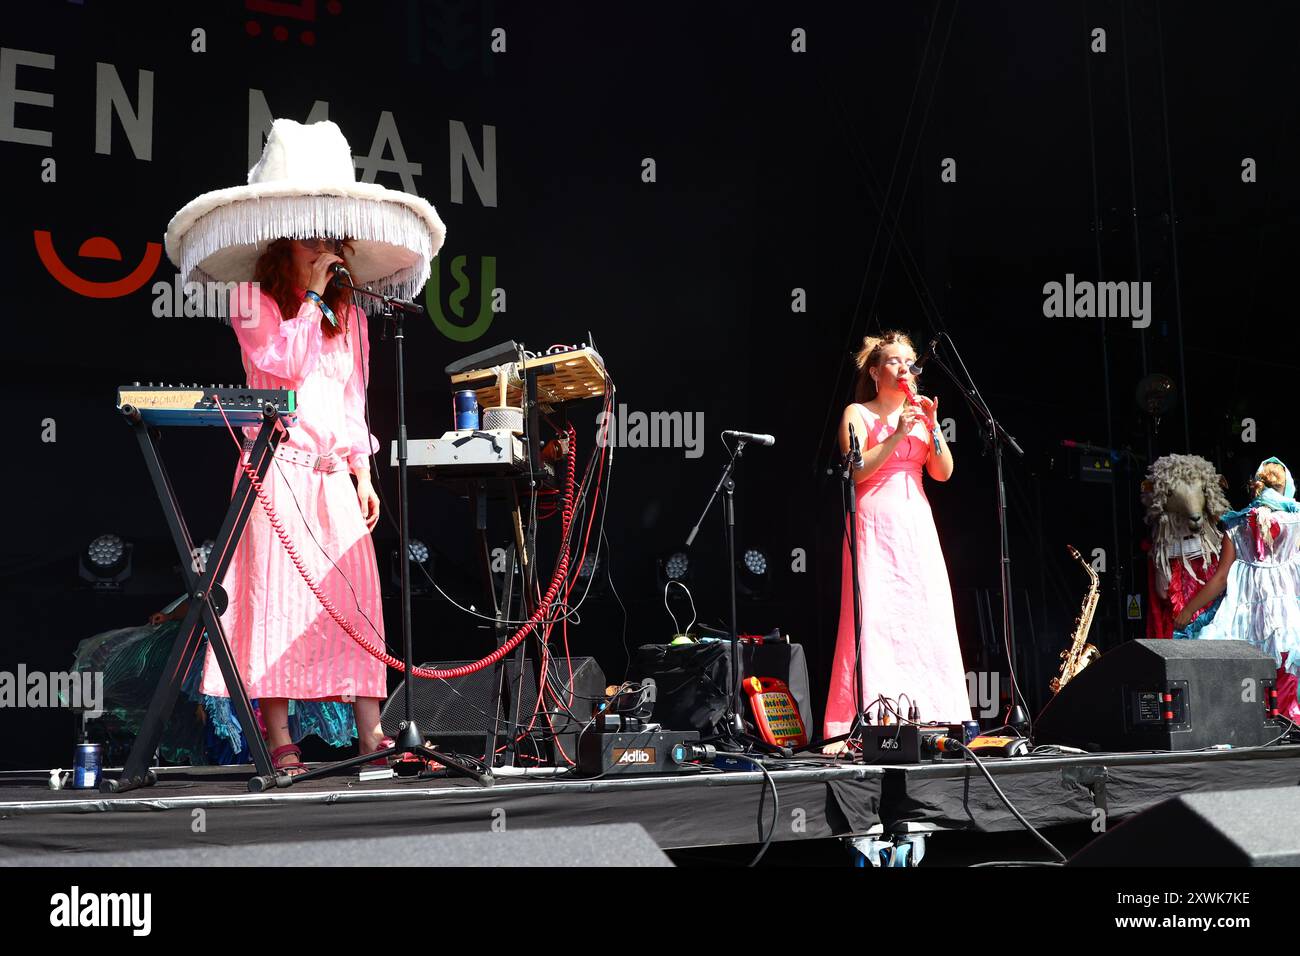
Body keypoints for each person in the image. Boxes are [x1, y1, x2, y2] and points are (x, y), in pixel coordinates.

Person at [162, 119, 447, 774]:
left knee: (357, 602)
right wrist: (313, 295)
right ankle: (281, 738)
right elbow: (283, 363)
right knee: (278, 602)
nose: (322, 247)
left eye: (329, 237)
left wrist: (362, 472)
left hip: (331, 475)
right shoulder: (252, 300)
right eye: (310, 238)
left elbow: (352, 397)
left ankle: (374, 738)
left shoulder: (351, 315)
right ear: (282, 245)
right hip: (277, 471)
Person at [823, 331, 970, 755]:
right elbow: (856, 471)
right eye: (894, 361)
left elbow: (943, 472)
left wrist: (932, 425)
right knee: (872, 620)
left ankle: (934, 716)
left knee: (926, 617)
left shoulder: (919, 413)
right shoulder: (858, 412)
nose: (905, 367)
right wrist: (894, 434)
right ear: (875, 371)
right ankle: (861, 722)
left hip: (916, 523)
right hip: (873, 521)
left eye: (910, 361)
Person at [1175, 457, 1300, 721]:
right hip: (1287, 621)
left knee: (1253, 689)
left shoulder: (1237, 526)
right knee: (1287, 691)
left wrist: (1189, 610)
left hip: (1245, 622)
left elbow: (1220, 579)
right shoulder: (1295, 522)